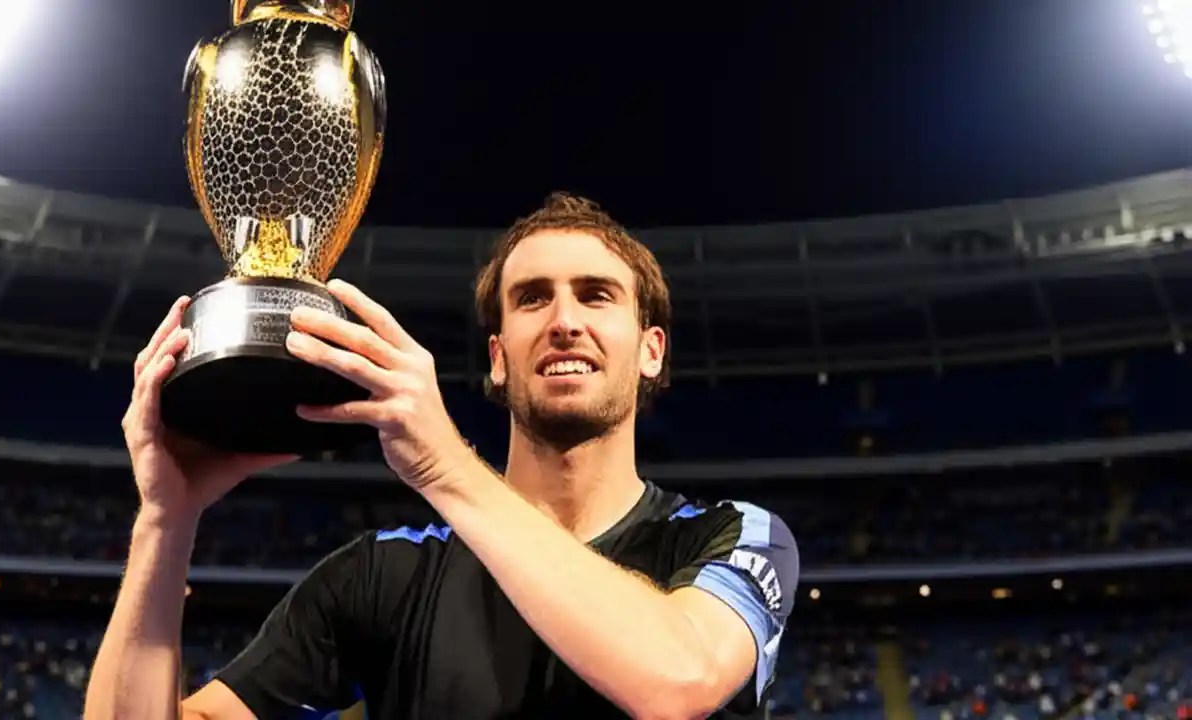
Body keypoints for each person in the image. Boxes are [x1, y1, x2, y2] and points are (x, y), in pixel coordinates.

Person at [83, 193, 800, 720]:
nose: (564, 322)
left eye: (597, 295)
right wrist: (164, 521)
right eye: (531, 300)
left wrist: (443, 466)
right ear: (497, 357)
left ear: (651, 350)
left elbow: (675, 680)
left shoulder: (733, 537)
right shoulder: (383, 575)